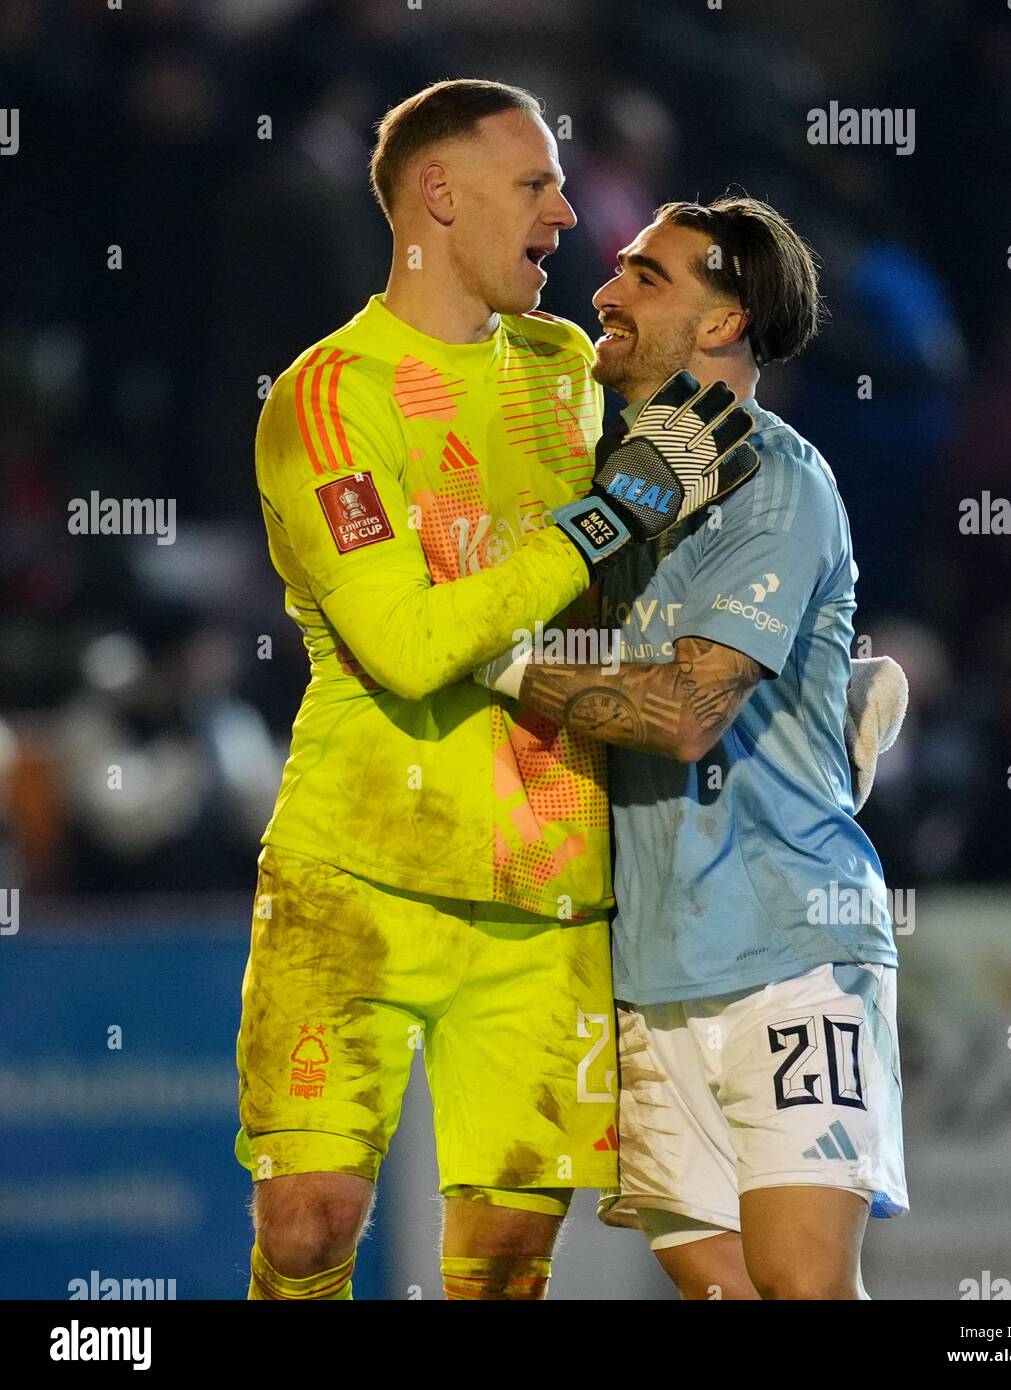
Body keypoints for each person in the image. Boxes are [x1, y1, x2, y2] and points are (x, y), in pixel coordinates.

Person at [236, 80, 756, 1302]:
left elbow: (694, 486)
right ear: (439, 194)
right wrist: (606, 515)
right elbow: (408, 645)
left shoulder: (565, 366)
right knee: (309, 1223)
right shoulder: (328, 398)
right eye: (535, 186)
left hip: (548, 877)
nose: (567, 216)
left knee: (508, 1262)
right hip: (357, 869)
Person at [477, 196, 908, 1299]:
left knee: (803, 1283)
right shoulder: (607, 470)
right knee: (722, 1288)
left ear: (723, 323)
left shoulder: (776, 480)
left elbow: (681, 718)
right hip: (648, 965)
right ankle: (836, 719)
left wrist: (490, 659)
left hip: (791, 947)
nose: (604, 292)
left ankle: (833, 732)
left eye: (646, 277)